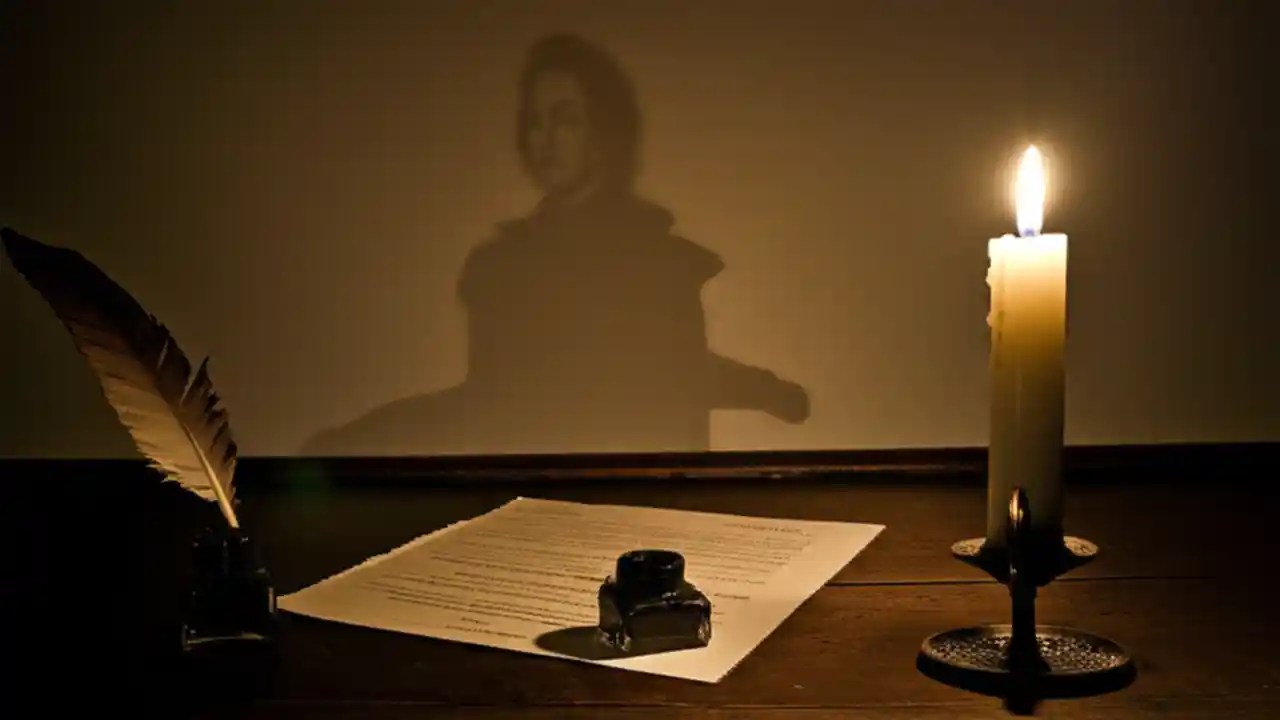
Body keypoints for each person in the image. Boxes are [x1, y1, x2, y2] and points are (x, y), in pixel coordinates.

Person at [303, 33, 807, 456]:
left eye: (566, 119)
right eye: (536, 121)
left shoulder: (661, 262)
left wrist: (770, 392)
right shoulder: (500, 267)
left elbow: (674, 376)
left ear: (603, 131)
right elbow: (492, 404)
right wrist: (361, 439)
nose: (545, 139)